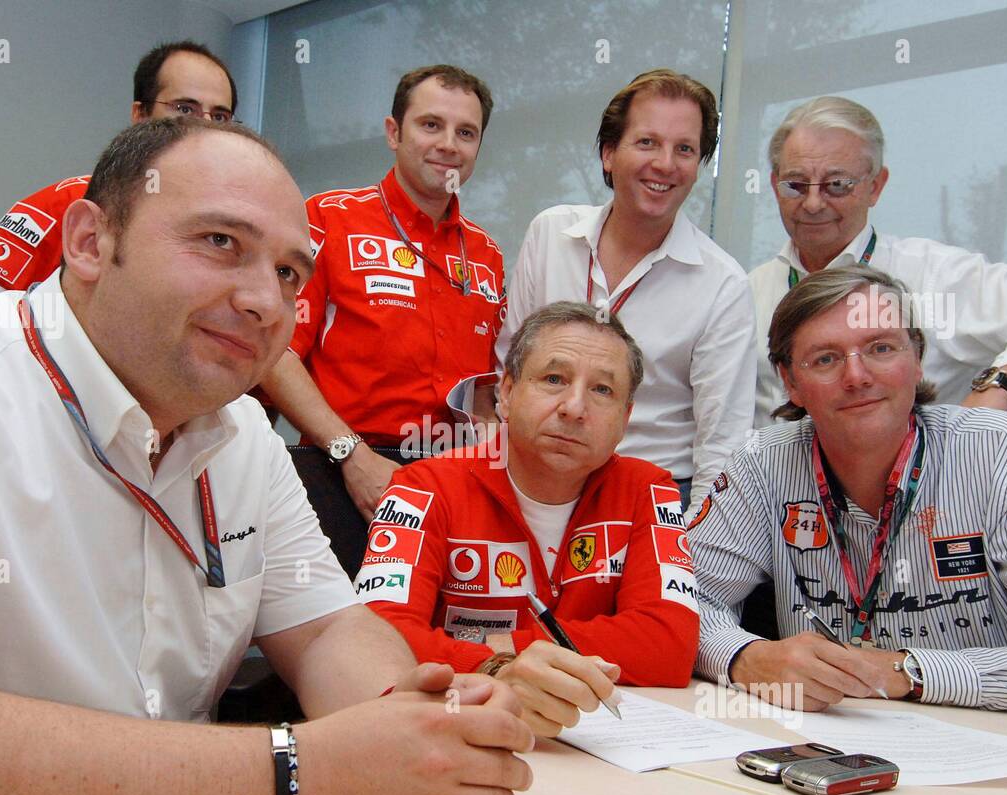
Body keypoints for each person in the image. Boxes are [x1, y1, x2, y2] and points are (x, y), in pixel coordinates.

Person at [0, 118, 534, 795]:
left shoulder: (246, 436)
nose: (265, 302)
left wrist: (416, 720)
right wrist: (296, 778)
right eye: (221, 243)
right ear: (89, 241)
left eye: (289, 273)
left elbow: (324, 632)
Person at [689, 264, 1007, 719]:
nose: (857, 376)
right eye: (825, 358)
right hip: (825, 739)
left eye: (881, 348)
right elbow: (679, 602)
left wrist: (906, 672)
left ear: (918, 357)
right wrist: (745, 658)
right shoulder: (762, 463)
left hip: (990, 740)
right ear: (791, 382)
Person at [355, 301, 700, 737]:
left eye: (602, 391)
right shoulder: (421, 487)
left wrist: (503, 647)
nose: (574, 408)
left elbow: (670, 647)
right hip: (460, 731)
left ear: (625, 418)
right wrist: (499, 668)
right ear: (507, 391)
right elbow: (374, 636)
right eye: (553, 379)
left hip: (602, 742)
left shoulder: (649, 490)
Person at [750, 96, 1007, 438]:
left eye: (837, 185)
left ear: (875, 186)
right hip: (784, 493)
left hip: (925, 492)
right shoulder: (748, 292)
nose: (813, 203)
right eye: (795, 185)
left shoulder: (932, 276)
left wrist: (997, 388)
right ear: (773, 185)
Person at [498, 69, 756, 509]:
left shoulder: (724, 284)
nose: (666, 164)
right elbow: (508, 368)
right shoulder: (550, 234)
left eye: (685, 149)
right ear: (608, 153)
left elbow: (722, 446)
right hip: (533, 476)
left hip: (652, 493)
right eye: (647, 142)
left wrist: (684, 556)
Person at [260, 65, 505, 519]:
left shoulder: (487, 254)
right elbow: (275, 354)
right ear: (394, 132)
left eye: (466, 132)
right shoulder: (330, 219)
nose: (448, 144)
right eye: (431, 125)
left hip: (452, 477)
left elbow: (484, 393)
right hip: (342, 468)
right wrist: (351, 455)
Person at [0, 40, 237, 305]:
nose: (203, 127)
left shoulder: (243, 235)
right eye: (184, 109)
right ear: (140, 115)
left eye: (220, 116)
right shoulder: (71, 202)